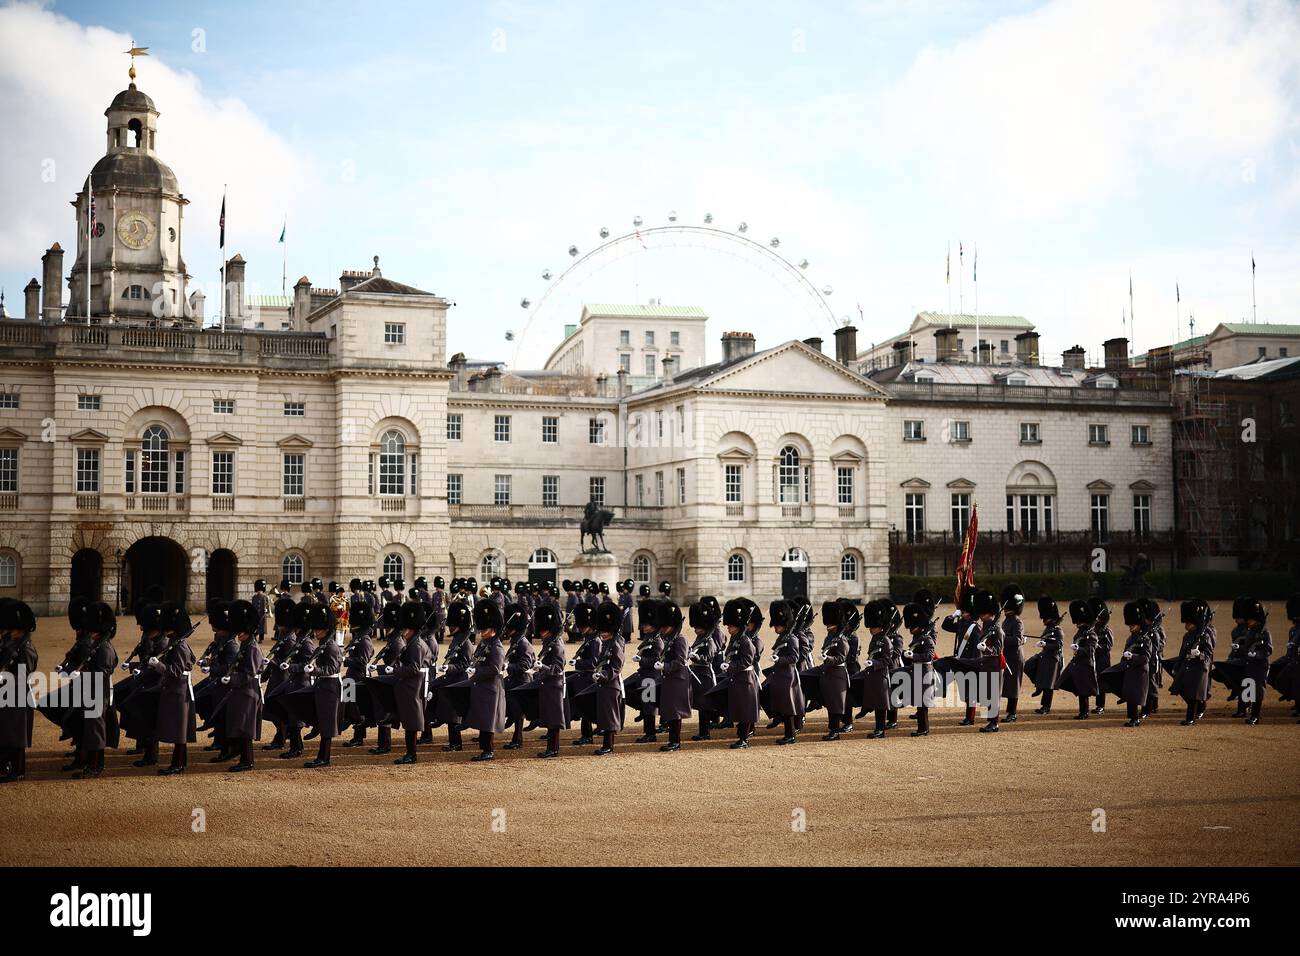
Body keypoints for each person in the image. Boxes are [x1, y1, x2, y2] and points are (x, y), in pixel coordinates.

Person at [148, 602, 197, 775]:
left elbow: (175, 671)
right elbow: (192, 659)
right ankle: (179, 763)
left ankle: (178, 764)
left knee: (179, 732)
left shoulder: (180, 645)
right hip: (175, 690)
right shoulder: (176, 642)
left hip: (179, 692)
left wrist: (158, 665)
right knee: (178, 731)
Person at [222, 600, 265, 772]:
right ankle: (244, 759)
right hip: (242, 691)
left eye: (241, 631)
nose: (238, 634)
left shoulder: (253, 648)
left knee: (246, 728)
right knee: (240, 725)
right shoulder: (245, 644)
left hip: (249, 691)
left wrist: (231, 679)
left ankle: (248, 761)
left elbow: (249, 673)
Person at [0, 599, 38, 783]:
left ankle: (18, 771)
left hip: (19, 697)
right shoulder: (11, 643)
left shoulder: (26, 649)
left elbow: (23, 677)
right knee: (6, 732)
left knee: (16, 735)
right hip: (7, 694)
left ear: (21, 628)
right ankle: (6, 765)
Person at [389, 602, 433, 764]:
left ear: (411, 628)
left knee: (412, 720)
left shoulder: (417, 645)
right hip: (411, 685)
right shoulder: (413, 642)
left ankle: (411, 753)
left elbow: (413, 668)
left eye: (404, 629)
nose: (402, 632)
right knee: (409, 720)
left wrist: (394, 671)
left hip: (415, 686)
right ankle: (410, 752)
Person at [430, 601, 474, 751]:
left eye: (452, 624)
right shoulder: (457, 639)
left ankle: (456, 743)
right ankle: (437, 717)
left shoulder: (466, 643)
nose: (450, 627)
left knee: (453, 715)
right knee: (433, 687)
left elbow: (464, 665)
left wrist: (448, 667)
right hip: (451, 678)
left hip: (458, 680)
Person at [762, 600, 804, 745]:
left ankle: (790, 735)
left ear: (784, 624)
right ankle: (788, 734)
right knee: (783, 706)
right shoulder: (783, 637)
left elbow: (794, 657)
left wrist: (779, 659)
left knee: (788, 707)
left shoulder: (791, 638)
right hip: (780, 676)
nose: (775, 628)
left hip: (788, 677)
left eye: (777, 625)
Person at [722, 598, 761, 749]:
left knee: (745, 710)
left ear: (737, 626)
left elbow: (747, 661)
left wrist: (730, 666)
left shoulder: (745, 641)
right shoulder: (735, 639)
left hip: (745, 679)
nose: (728, 628)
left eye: (730, 625)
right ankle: (741, 736)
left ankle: (744, 739)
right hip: (736, 678)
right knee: (739, 708)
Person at [532, 603, 569, 758]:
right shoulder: (549, 642)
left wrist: (543, 667)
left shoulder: (557, 644)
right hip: (547, 684)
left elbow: (557, 668)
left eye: (544, 629)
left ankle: (553, 749)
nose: (541, 632)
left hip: (555, 685)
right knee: (549, 716)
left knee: (554, 719)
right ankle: (551, 747)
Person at [655, 600, 693, 752]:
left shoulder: (680, 639)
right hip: (670, 679)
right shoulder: (669, 638)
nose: (663, 629)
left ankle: (675, 742)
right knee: (670, 710)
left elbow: (680, 661)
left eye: (665, 626)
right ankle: (672, 740)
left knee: (675, 712)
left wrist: (665, 666)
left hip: (678, 680)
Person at [1170, 599, 1215, 726]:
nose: (1186, 626)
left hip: (1199, 669)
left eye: (1189, 623)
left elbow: (1208, 656)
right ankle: (1200, 707)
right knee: (1183, 690)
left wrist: (1199, 654)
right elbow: (1182, 654)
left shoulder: (1205, 636)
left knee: (1192, 695)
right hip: (1187, 667)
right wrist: (1177, 666)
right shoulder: (1188, 636)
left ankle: (1191, 718)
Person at [627, 596, 664, 743]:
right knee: (627, 691)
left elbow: (656, 660)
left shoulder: (657, 640)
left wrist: (641, 659)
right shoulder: (649, 637)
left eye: (646, 624)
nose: (643, 626)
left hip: (651, 676)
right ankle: (642, 712)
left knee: (649, 705)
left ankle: (650, 734)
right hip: (643, 674)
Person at [590, 602, 626, 756]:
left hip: (611, 685)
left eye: (605, 631)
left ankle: (609, 745)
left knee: (610, 716)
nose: (602, 634)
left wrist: (603, 676)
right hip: (604, 684)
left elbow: (616, 667)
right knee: (605, 715)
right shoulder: (606, 643)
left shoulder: (615, 645)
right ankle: (606, 743)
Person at [1055, 599, 1100, 720]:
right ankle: (1082, 711)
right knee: (1076, 687)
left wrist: (1079, 649)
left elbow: (1090, 650)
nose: (1078, 624)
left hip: (1085, 665)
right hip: (1077, 663)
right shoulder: (1081, 632)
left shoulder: (1091, 634)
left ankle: (1084, 712)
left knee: (1084, 690)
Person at [501, 603, 535, 751]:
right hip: (514, 680)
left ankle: (518, 739)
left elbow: (525, 665)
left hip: (521, 682)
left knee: (518, 712)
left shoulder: (523, 643)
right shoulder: (516, 640)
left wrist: (507, 666)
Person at [858, 601, 895, 738]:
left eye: (873, 626)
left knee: (881, 705)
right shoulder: (875, 639)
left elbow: (887, 660)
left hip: (881, 676)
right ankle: (878, 728)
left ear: (879, 626)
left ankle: (880, 730)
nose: (870, 629)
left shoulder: (885, 640)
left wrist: (873, 663)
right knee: (876, 703)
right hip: (873, 675)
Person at [901, 600, 937, 737]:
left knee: (923, 704)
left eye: (913, 627)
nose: (911, 629)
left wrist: (914, 655)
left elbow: (929, 655)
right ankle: (922, 728)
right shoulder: (917, 637)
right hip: (917, 671)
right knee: (919, 703)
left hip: (925, 673)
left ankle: (923, 729)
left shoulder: (926, 639)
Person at [687, 600, 721, 741]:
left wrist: (695, 658)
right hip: (698, 674)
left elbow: (708, 658)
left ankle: (705, 732)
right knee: (701, 705)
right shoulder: (701, 637)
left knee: (705, 706)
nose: (695, 629)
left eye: (698, 627)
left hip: (706, 675)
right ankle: (703, 731)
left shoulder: (709, 640)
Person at [817, 600, 851, 741]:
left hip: (837, 674)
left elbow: (841, 658)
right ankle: (832, 729)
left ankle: (835, 731)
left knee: (836, 704)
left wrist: (828, 658)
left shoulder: (842, 639)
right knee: (831, 703)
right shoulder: (830, 636)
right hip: (829, 673)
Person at [567, 604, 600, 745]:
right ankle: (586, 734)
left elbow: (593, 663)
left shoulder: (594, 640)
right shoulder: (589, 638)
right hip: (583, 677)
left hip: (589, 678)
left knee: (586, 708)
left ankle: (587, 736)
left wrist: (578, 663)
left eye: (582, 626)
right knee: (582, 707)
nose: (580, 629)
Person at [1236, 598, 1272, 725]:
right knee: (1249, 690)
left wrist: (1256, 654)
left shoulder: (1265, 633)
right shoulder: (1251, 632)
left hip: (1260, 666)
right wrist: (1239, 648)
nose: (1248, 622)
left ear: (1256, 619)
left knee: (1257, 691)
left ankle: (1255, 716)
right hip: (1250, 665)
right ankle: (1250, 713)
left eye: (1250, 619)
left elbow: (1268, 650)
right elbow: (1246, 648)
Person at [1028, 598, 1064, 714]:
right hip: (1045, 657)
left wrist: (1046, 644)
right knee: (1028, 665)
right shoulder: (1049, 628)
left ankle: (1046, 707)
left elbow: (1059, 645)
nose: (1043, 620)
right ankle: (1039, 686)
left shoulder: (1057, 630)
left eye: (1045, 618)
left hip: (1053, 660)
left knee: (1049, 685)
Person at [999, 584, 1026, 722]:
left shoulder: (1017, 621)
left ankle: (1012, 713)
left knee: (1013, 686)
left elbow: (1017, 640)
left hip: (1015, 657)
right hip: (1008, 656)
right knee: (1008, 685)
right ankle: (1010, 712)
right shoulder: (1007, 620)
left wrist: (1001, 637)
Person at [1088, 596, 1113, 715]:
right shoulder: (1092, 629)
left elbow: (1107, 646)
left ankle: (1100, 706)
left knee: (1101, 684)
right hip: (1092, 659)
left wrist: (1096, 647)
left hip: (1102, 660)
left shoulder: (1106, 630)